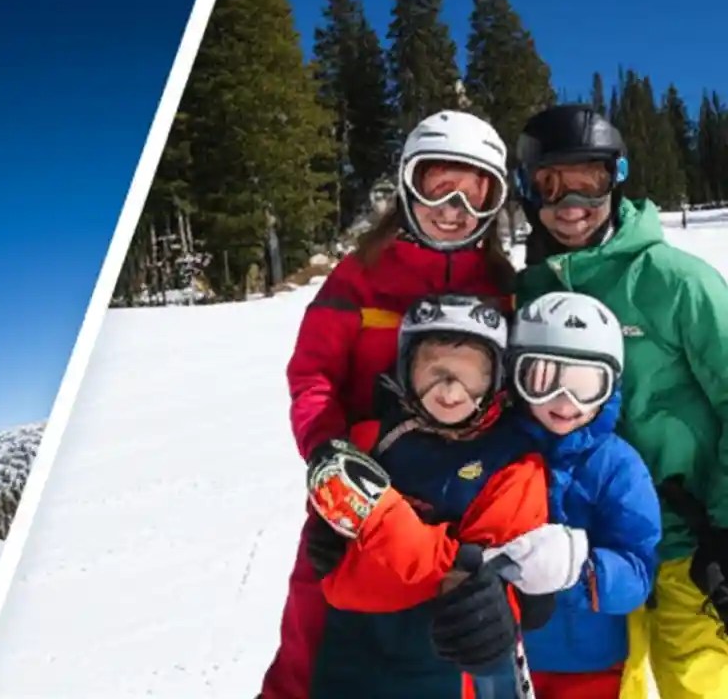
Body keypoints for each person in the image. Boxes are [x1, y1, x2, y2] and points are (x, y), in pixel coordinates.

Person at [260, 109, 518, 699]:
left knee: (455, 656)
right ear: (407, 186)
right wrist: (327, 452)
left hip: (458, 501)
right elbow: (314, 374)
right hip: (358, 496)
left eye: (474, 194)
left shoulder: (502, 288)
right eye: (439, 187)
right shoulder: (360, 278)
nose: (454, 209)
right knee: (311, 652)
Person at [513, 104, 728, 699]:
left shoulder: (675, 281)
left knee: (701, 685)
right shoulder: (532, 294)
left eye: (588, 180)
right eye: (551, 184)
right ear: (528, 191)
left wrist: (726, 526)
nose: (570, 202)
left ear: (617, 179)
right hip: (595, 552)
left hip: (692, 545)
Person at [302, 293, 575, 698]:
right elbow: (335, 580)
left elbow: (479, 575)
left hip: (446, 661)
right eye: (434, 372)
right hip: (352, 652)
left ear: (497, 379)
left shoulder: (514, 463)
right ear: (406, 369)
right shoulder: (371, 440)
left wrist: (376, 528)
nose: (449, 393)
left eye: (471, 376)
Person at [497, 290, 661, 698]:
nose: (564, 402)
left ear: (610, 386)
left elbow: (638, 570)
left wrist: (581, 571)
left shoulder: (618, 466)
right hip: (505, 655)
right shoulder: (492, 452)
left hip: (591, 663)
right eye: (542, 379)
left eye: (585, 385)